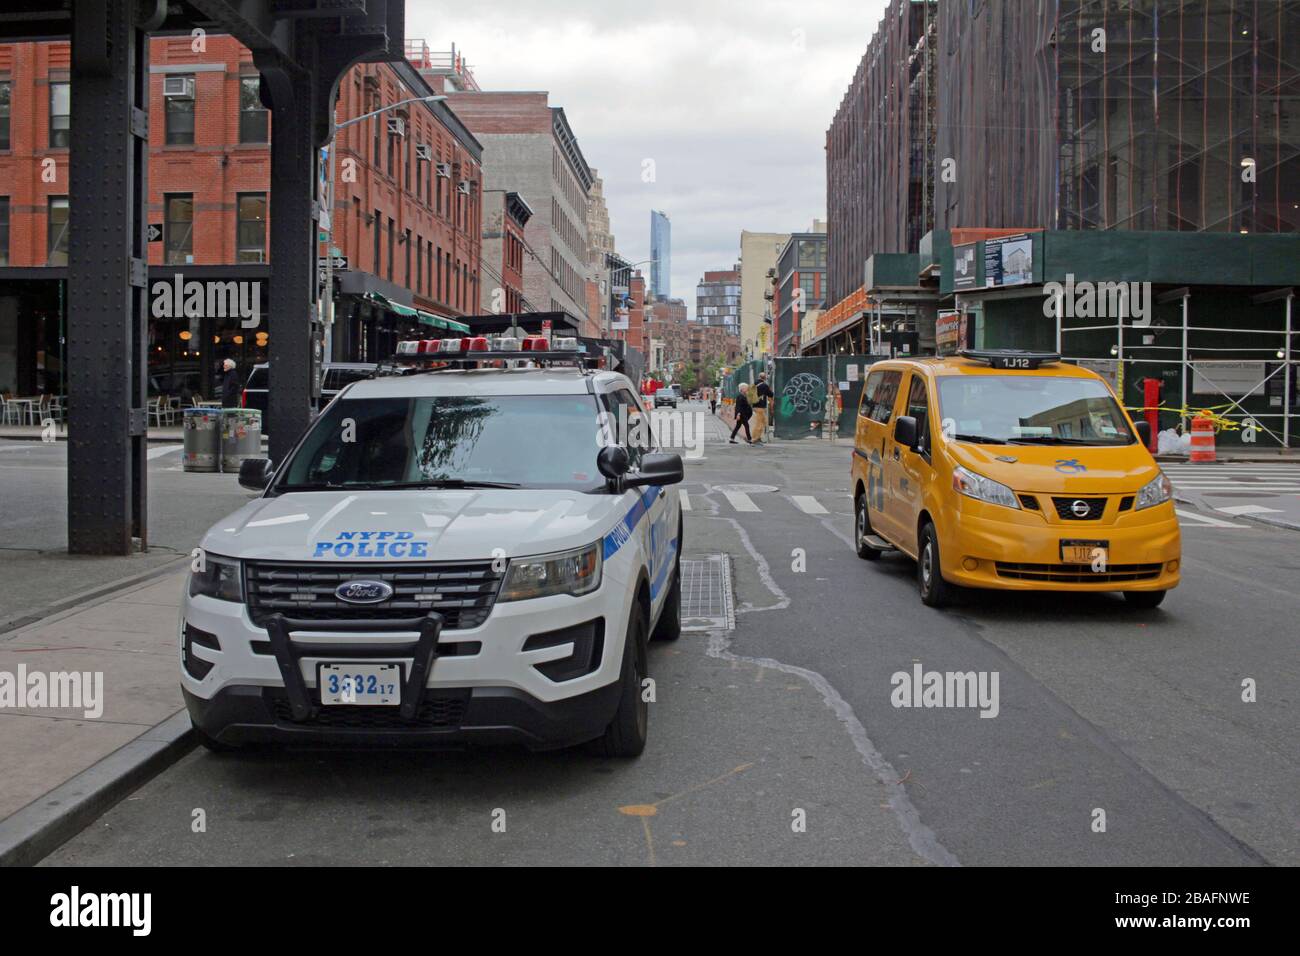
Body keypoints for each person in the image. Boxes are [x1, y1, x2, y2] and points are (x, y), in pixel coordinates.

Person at [752, 372, 773, 443]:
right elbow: (770, 394)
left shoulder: (754, 384)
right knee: (759, 423)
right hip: (760, 406)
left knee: (763, 422)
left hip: (755, 405)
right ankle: (755, 438)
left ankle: (758, 437)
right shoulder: (764, 385)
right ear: (765, 378)